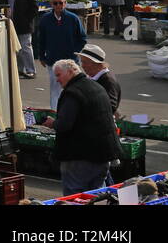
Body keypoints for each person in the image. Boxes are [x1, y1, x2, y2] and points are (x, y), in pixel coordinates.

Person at [49, 59, 121, 195]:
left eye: (58, 75)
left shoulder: (73, 93)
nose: (57, 80)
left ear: (70, 72)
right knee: (96, 196)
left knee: (74, 196)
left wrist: (52, 123)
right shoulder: (96, 86)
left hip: (80, 156)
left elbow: (64, 125)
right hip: (103, 155)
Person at [34, 0, 86, 110]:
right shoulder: (45, 19)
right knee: (55, 88)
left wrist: (75, 52)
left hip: (70, 61)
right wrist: (41, 56)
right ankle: (55, 111)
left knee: (73, 88)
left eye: (61, 3)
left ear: (65, 3)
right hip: (53, 60)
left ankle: (74, 111)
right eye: (56, 3)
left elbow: (82, 38)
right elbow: (41, 39)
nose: (59, 6)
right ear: (51, 4)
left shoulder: (73, 18)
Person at [3, 0, 39, 78]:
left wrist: (27, 19)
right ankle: (20, 70)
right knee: (17, 48)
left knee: (26, 47)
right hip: (12, 24)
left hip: (25, 25)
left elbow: (34, 8)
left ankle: (31, 70)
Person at [77, 44, 121, 114]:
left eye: (85, 62)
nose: (82, 66)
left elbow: (110, 107)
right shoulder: (91, 77)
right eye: (82, 62)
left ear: (96, 63)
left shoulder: (108, 81)